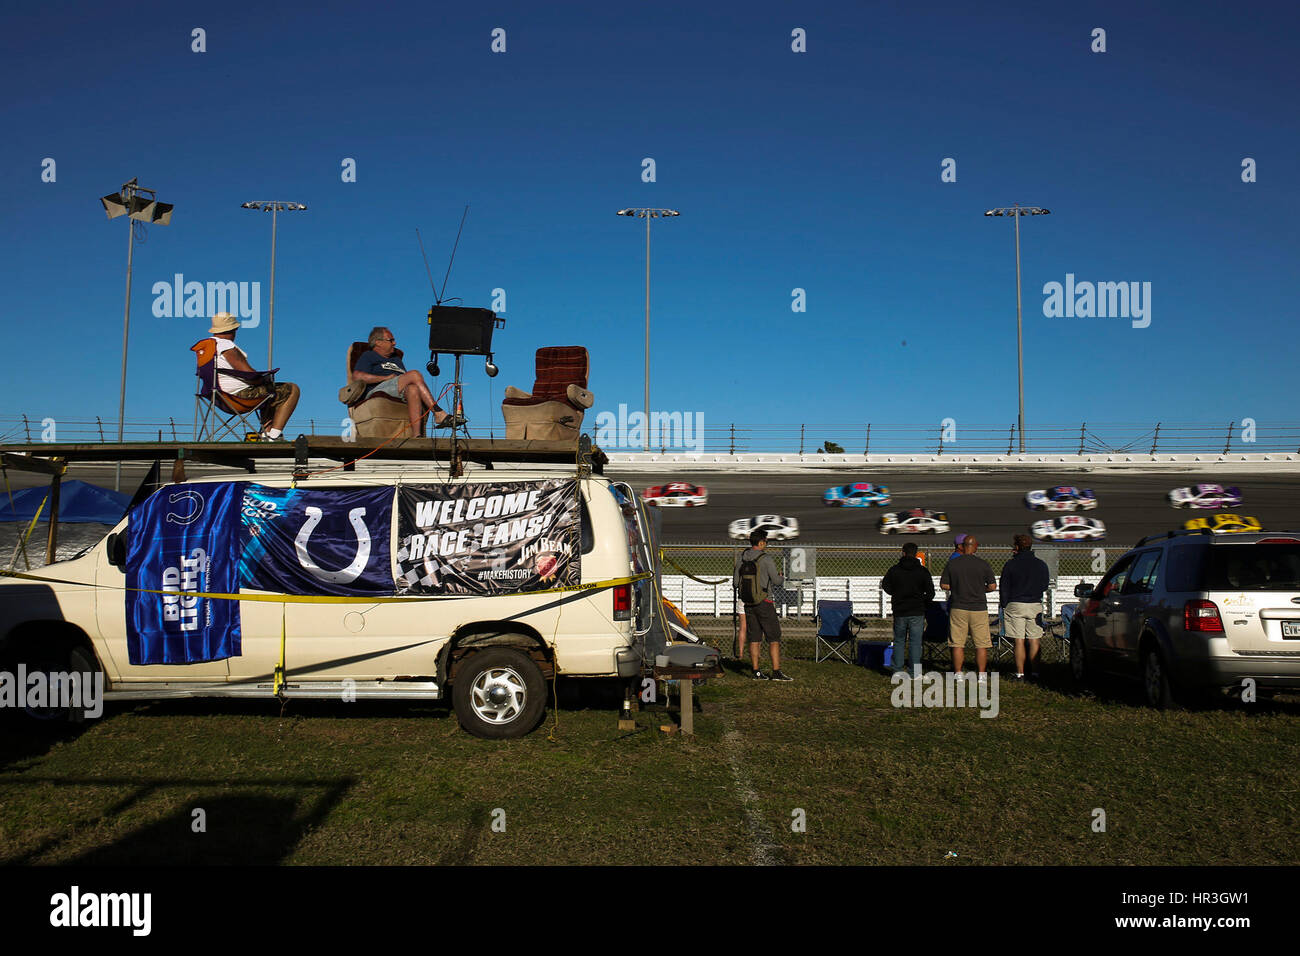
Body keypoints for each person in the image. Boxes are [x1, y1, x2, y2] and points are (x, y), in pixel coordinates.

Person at [352, 326, 466, 437]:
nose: (394, 343)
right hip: (379, 389)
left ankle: (416, 435)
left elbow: (407, 381)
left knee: (413, 389)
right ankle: (438, 413)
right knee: (414, 374)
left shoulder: (396, 359)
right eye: (391, 340)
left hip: (397, 388)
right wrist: (385, 378)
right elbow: (357, 376)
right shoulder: (369, 356)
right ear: (378, 342)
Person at [210, 312, 300, 442]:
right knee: (291, 389)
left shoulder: (208, 347)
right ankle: (274, 436)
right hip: (238, 396)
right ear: (233, 329)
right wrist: (263, 378)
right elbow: (249, 374)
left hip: (218, 396)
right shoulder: (226, 346)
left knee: (269, 392)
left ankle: (266, 434)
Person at [733, 528, 792, 682]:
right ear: (760, 542)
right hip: (764, 602)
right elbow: (776, 581)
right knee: (774, 637)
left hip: (748, 603)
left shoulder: (742, 558)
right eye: (766, 541)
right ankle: (776, 672)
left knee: (754, 637)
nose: (766, 544)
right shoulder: (765, 559)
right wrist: (781, 577)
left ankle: (756, 671)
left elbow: (734, 582)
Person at [939, 534, 997, 683]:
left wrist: (959, 587)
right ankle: (982, 675)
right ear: (974, 546)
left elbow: (944, 585)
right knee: (981, 644)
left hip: (959, 607)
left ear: (963, 546)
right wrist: (980, 588)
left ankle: (958, 674)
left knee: (957, 643)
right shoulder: (983, 564)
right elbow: (992, 586)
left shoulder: (953, 564)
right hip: (978, 608)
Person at [1000, 533, 1051, 680]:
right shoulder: (1041, 564)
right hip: (1034, 603)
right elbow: (1044, 585)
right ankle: (1035, 672)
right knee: (1035, 639)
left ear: (1017, 547)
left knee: (1018, 640)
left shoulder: (1011, 564)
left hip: (1015, 603)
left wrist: (1004, 604)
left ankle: (1020, 673)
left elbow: (1004, 587)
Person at [882, 541, 935, 677]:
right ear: (916, 554)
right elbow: (931, 592)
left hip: (900, 610)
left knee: (899, 641)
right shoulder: (922, 571)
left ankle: (897, 670)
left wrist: (896, 593)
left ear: (903, 553)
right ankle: (914, 672)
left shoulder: (894, 570)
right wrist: (923, 601)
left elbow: (886, 585)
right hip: (917, 611)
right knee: (916, 642)